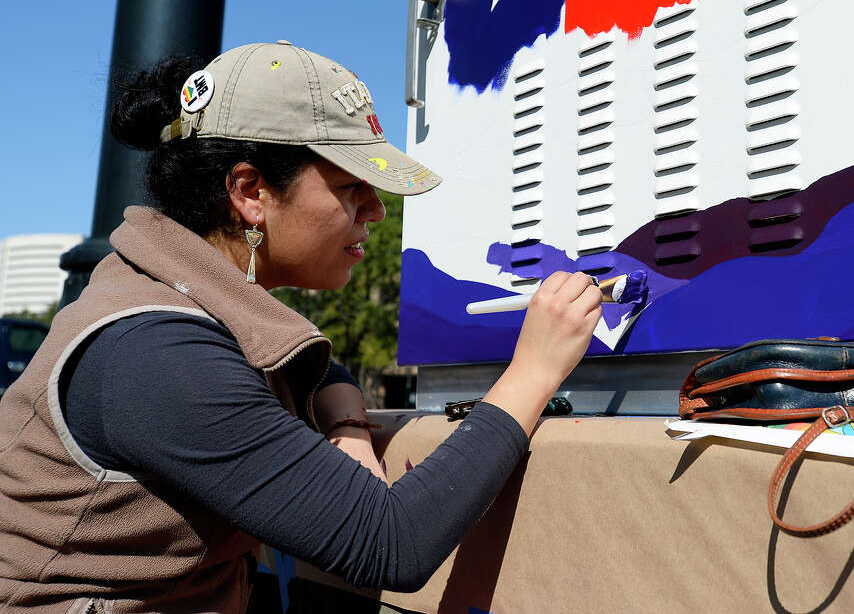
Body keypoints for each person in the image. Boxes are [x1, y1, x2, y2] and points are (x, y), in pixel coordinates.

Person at [0, 41, 602, 613]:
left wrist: (345, 424)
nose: (376, 209)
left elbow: (295, 361)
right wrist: (535, 370)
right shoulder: (159, 352)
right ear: (250, 191)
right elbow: (394, 544)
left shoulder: (177, 295)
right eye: (349, 186)